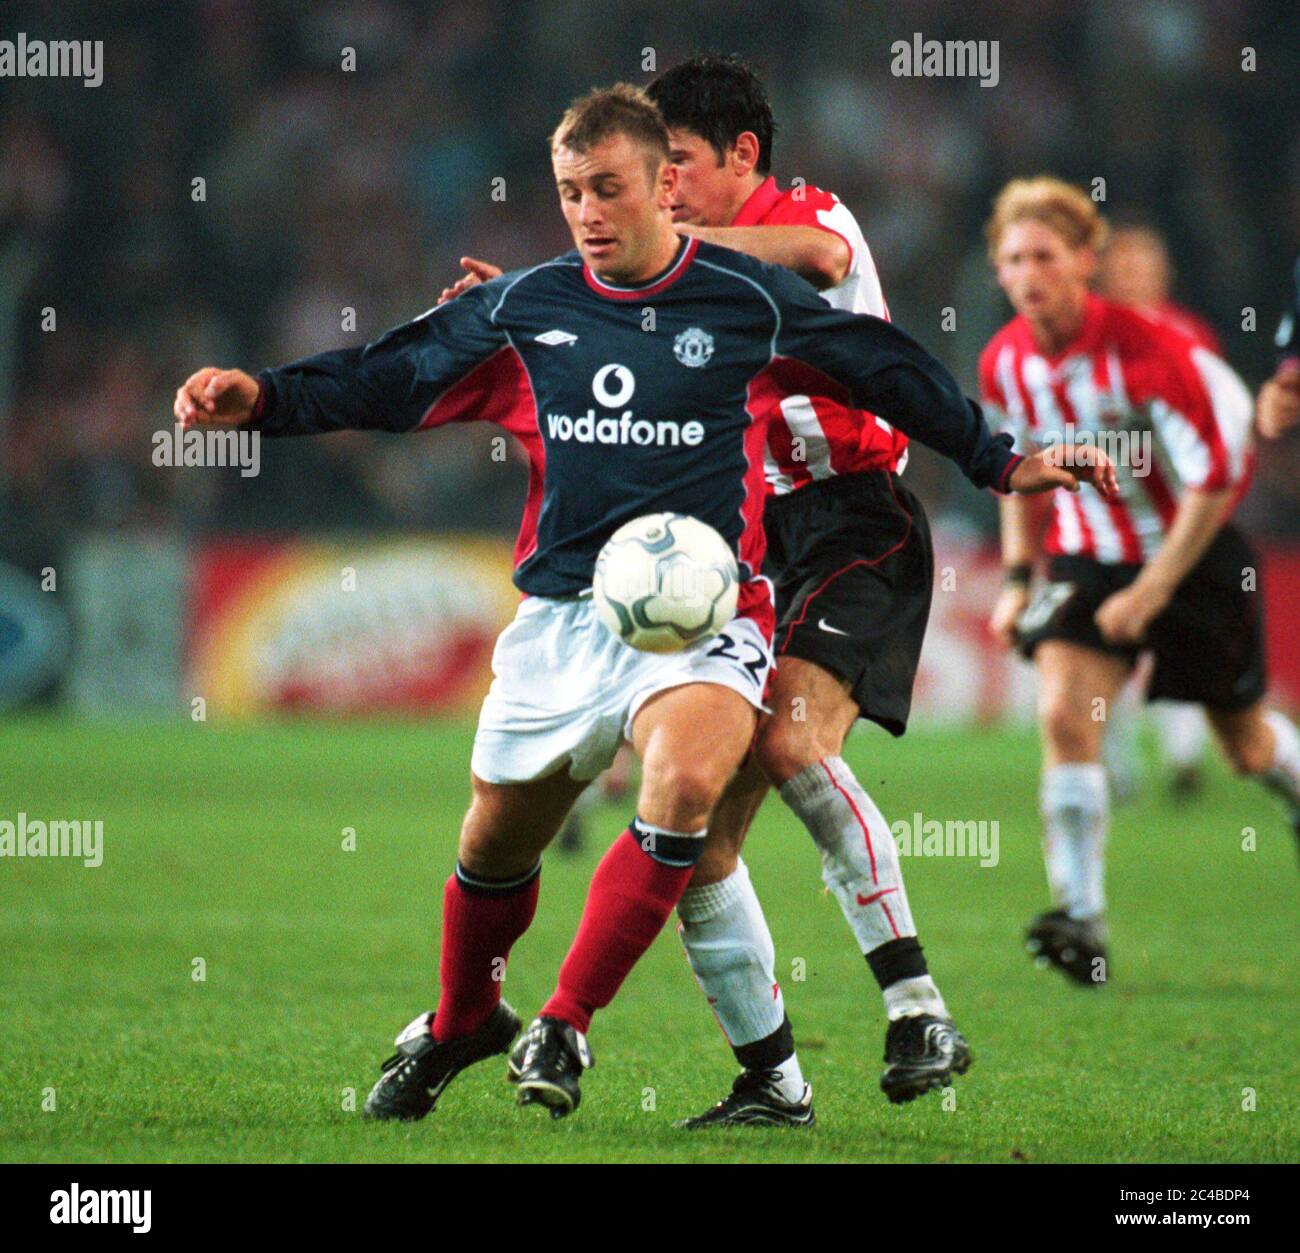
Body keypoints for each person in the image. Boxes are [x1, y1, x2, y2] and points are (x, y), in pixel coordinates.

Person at [176, 90, 1110, 1123]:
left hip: (710, 617)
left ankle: (565, 1022)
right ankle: (459, 1020)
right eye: (570, 191)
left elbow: (879, 365)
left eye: (607, 187)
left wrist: (997, 457)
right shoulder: (524, 310)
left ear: (663, 184)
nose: (585, 210)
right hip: (563, 619)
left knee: (682, 785)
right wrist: (262, 399)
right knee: (494, 845)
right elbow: (388, 377)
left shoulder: (745, 298)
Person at [982, 177, 1300, 986]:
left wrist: (1153, 590)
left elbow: (1218, 475)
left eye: (1044, 256)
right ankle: (1079, 916)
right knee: (1063, 712)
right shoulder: (1005, 361)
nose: (1029, 274)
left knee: (1248, 745)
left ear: (1084, 261)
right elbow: (1019, 473)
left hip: (1192, 561)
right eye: (1013, 258)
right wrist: (1020, 578)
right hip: (1089, 560)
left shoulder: (1151, 351)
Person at [1096, 224, 1219, 800]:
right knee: (1103, 647)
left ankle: (1184, 756)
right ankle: (1117, 769)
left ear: (1163, 274)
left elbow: (1219, 431)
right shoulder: (1085, 338)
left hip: (1178, 519)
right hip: (1105, 517)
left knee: (1181, 635)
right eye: (1124, 265)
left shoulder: (1191, 337)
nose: (1133, 276)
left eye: (1144, 265)